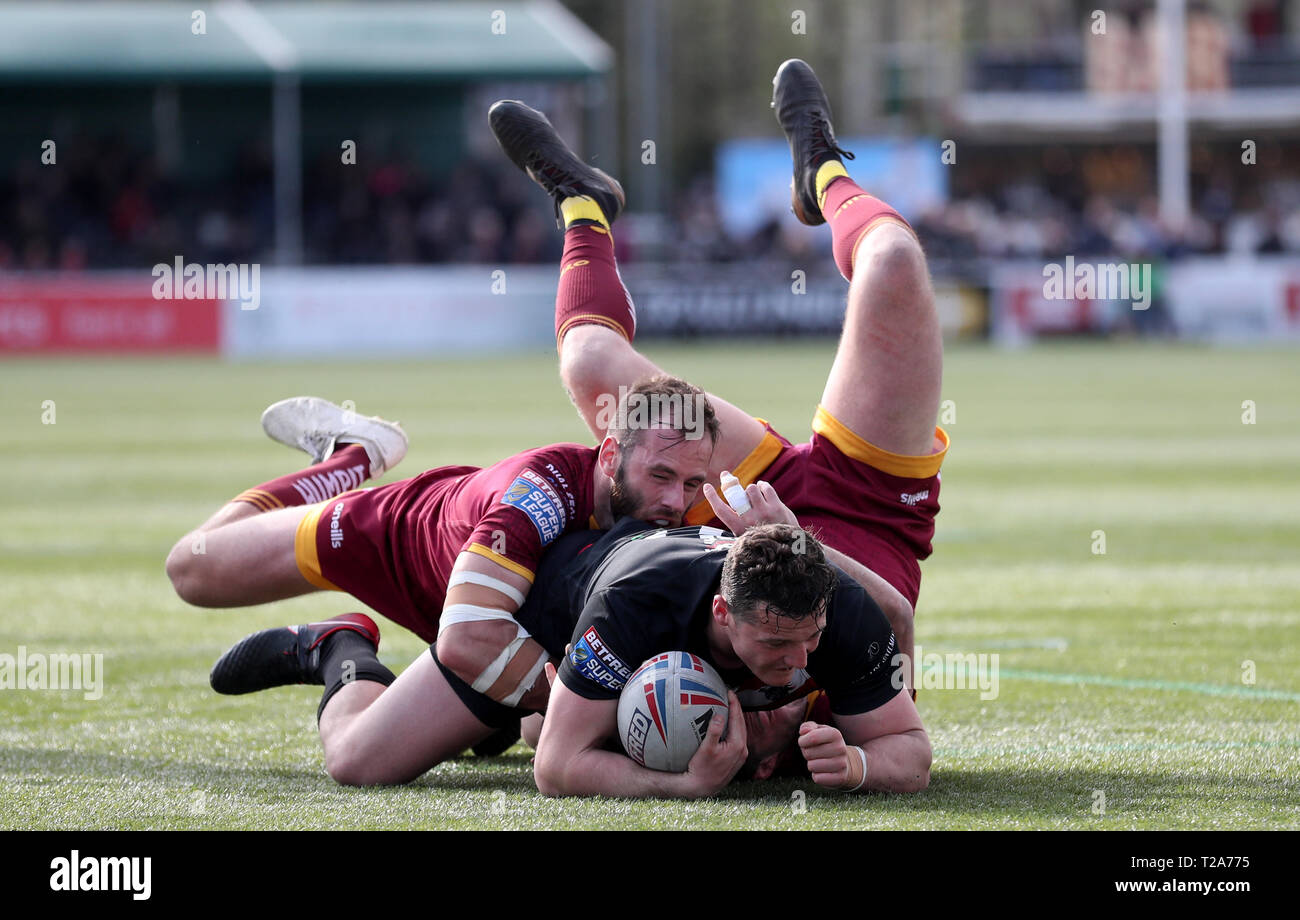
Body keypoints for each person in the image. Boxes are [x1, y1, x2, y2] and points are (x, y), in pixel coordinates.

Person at [489, 58, 948, 677]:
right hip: (867, 510)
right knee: (893, 261)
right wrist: (792, 540)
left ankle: (583, 207)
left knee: (591, 363)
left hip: (735, 513)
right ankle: (826, 176)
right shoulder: (830, 709)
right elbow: (893, 620)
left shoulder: (701, 705)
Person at [166, 376, 717, 743]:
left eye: (691, 482)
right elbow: (467, 640)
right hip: (387, 537)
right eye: (660, 477)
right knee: (192, 569)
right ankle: (350, 459)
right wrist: (600, 707)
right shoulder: (541, 496)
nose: (675, 501)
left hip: (483, 611)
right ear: (612, 454)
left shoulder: (672, 519)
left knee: (520, 726)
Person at [529, 518, 931, 798]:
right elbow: (555, 767)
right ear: (723, 613)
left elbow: (912, 753)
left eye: (812, 637)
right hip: (556, 587)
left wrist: (856, 764)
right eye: (775, 643)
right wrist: (685, 786)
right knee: (533, 728)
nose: (799, 660)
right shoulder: (627, 609)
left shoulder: (846, 610)